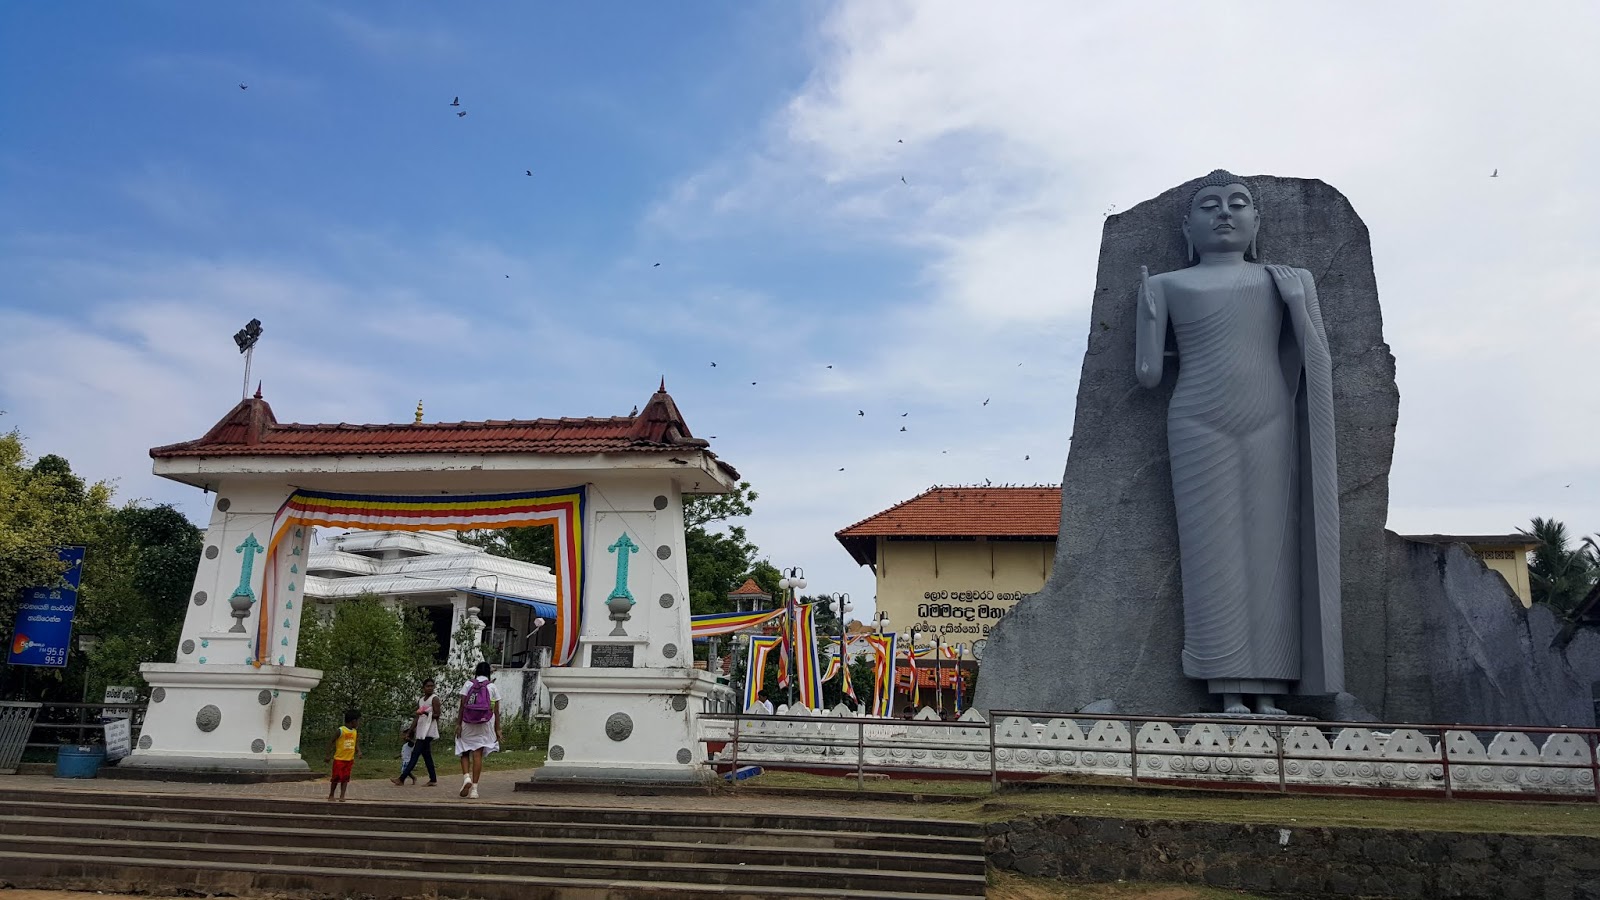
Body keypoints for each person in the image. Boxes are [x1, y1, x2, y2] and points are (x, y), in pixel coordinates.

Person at [1135, 170, 1342, 716]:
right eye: (1209, 206)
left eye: (1237, 203)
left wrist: (1297, 303)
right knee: (1214, 554)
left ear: (1257, 220)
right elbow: (1149, 377)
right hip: (1198, 421)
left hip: (1270, 419)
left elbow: (1318, 360)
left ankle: (1271, 689)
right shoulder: (1166, 285)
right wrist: (1147, 318)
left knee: (1273, 551)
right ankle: (1225, 689)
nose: (1224, 213)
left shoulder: (1288, 278)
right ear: (1188, 224)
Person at [455, 661, 501, 799]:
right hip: (484, 723)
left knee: (464, 750)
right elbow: (497, 710)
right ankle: (474, 789)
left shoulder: (468, 684)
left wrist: (458, 724)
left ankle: (466, 777)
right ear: (489, 672)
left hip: (467, 722)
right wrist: (497, 728)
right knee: (477, 753)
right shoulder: (492, 687)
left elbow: (462, 705)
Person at [393, 677, 442, 786]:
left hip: (429, 731)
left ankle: (402, 778)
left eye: (431, 686)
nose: (430, 688)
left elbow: (437, 714)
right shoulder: (421, 700)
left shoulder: (435, 699)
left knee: (415, 754)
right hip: (421, 730)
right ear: (423, 688)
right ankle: (433, 779)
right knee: (426, 755)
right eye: (427, 686)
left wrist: (426, 713)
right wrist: (410, 730)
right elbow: (417, 717)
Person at [328, 709, 361, 801]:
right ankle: (331, 794)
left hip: (349, 759)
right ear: (353, 721)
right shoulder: (341, 730)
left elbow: (355, 742)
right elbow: (331, 741)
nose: (358, 723)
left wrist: (358, 751)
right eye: (358, 721)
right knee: (336, 777)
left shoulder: (354, 732)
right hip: (339, 759)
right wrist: (328, 755)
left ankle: (342, 795)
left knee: (345, 778)